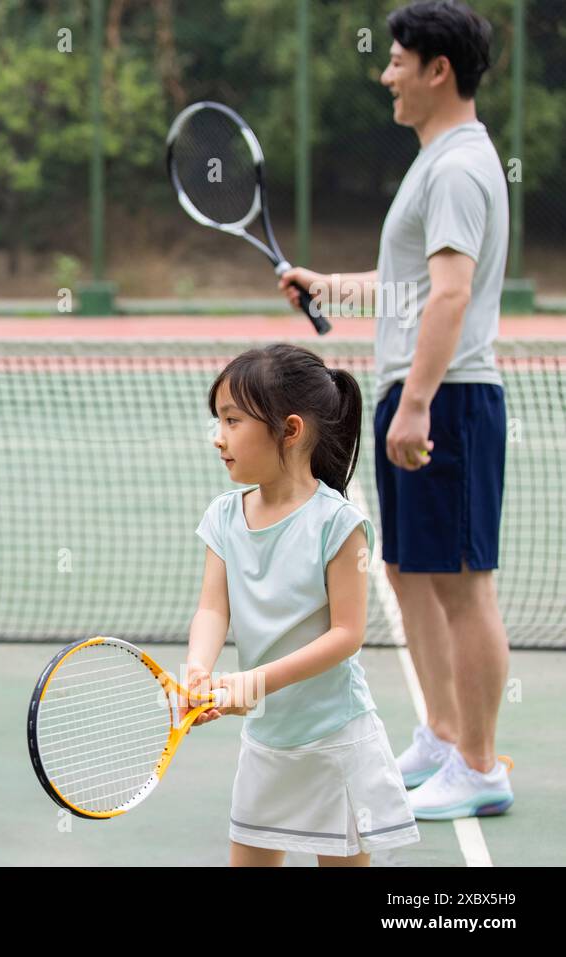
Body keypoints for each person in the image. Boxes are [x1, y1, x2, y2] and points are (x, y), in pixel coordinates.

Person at [279, 0, 514, 819]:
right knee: (411, 572)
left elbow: (450, 296)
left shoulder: (454, 165)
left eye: (397, 60)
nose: (386, 75)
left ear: (436, 70)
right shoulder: (436, 162)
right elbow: (414, 285)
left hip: (444, 398)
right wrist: (329, 286)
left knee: (461, 584)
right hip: (414, 395)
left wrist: (415, 406)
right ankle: (444, 735)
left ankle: (480, 766)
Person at [186, 344, 420, 866]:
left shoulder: (339, 525)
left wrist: (255, 682)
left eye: (232, 420)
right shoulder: (223, 517)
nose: (217, 437)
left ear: (289, 430)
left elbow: (346, 635)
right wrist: (200, 667)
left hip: (334, 737)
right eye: (217, 420)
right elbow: (212, 608)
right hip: (267, 739)